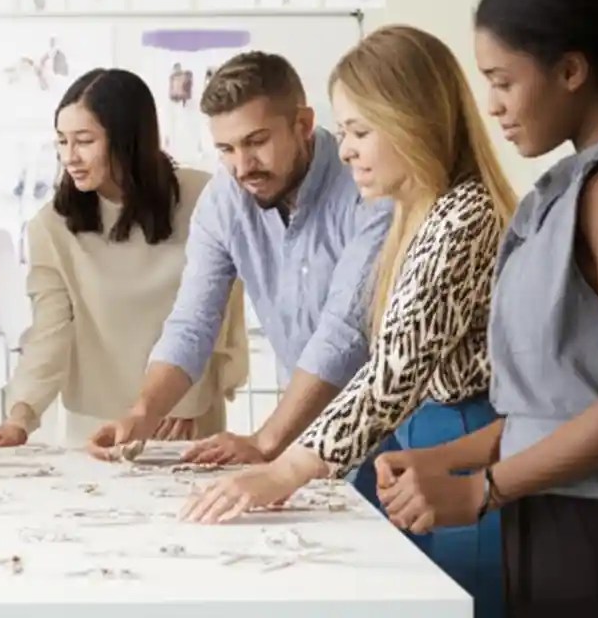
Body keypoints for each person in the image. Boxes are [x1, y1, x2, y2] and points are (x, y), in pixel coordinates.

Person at [179, 25, 517, 618]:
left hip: (463, 434)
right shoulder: (420, 211)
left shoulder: (463, 218)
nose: (347, 149)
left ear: (412, 122)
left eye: (359, 131)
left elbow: (392, 369)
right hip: (421, 439)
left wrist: (282, 467)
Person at [374, 0, 598, 615]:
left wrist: (481, 489)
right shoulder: (581, 183)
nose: (490, 106)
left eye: (501, 81)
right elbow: (561, 399)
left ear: (571, 71)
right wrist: (449, 460)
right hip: (560, 511)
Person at [87, 51, 392, 498]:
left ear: (303, 125)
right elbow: (192, 323)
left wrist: (266, 441)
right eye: (227, 149)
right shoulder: (224, 200)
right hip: (312, 433)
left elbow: (344, 332)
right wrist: (143, 414)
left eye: (257, 141)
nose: (242, 166)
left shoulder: (368, 182)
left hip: (398, 425)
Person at [0, 68, 249, 447]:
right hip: (96, 425)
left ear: (127, 140)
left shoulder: (205, 198)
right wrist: (20, 417)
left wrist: (189, 400)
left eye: (84, 141)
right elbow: (50, 332)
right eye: (62, 142)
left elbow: (221, 309)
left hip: (184, 419)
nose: (70, 157)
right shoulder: (52, 228)